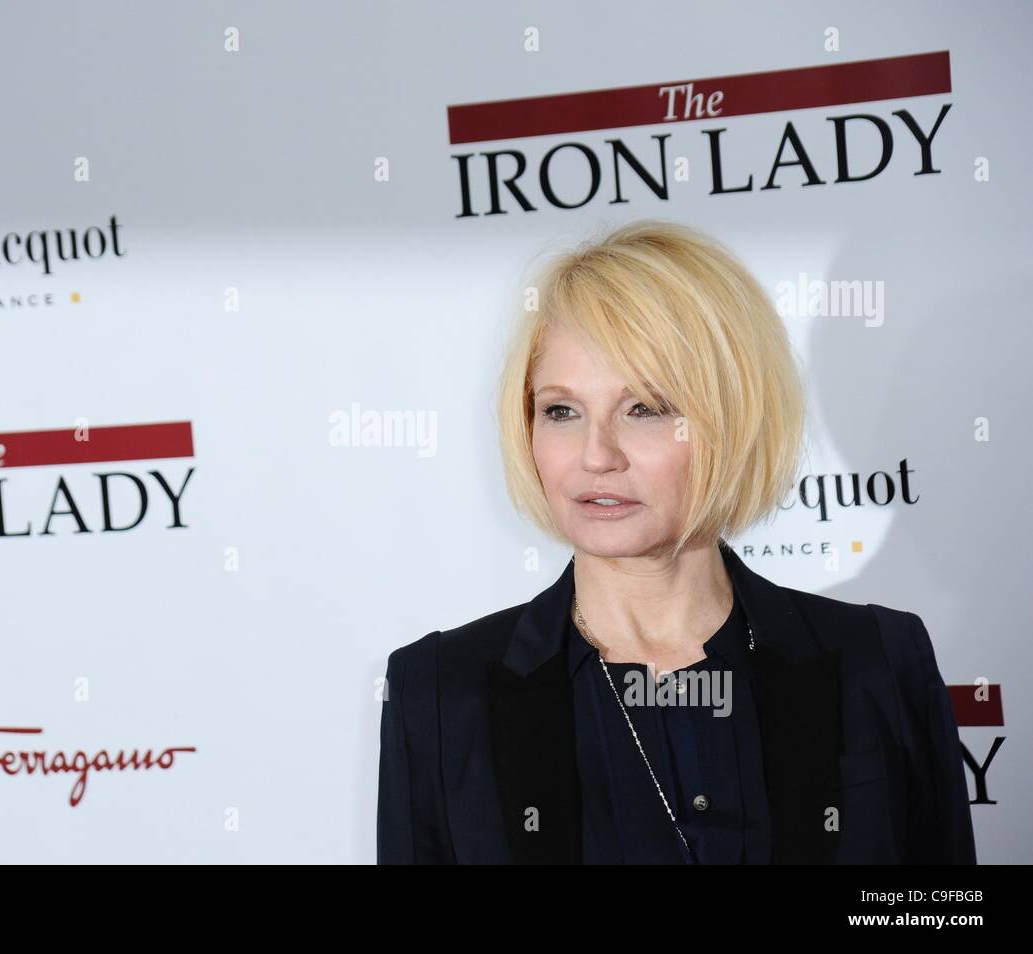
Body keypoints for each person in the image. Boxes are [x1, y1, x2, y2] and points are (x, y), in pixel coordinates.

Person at [375, 219, 976, 864]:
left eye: (645, 408)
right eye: (561, 410)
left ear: (732, 418)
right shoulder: (441, 692)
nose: (595, 455)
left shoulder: (878, 662)